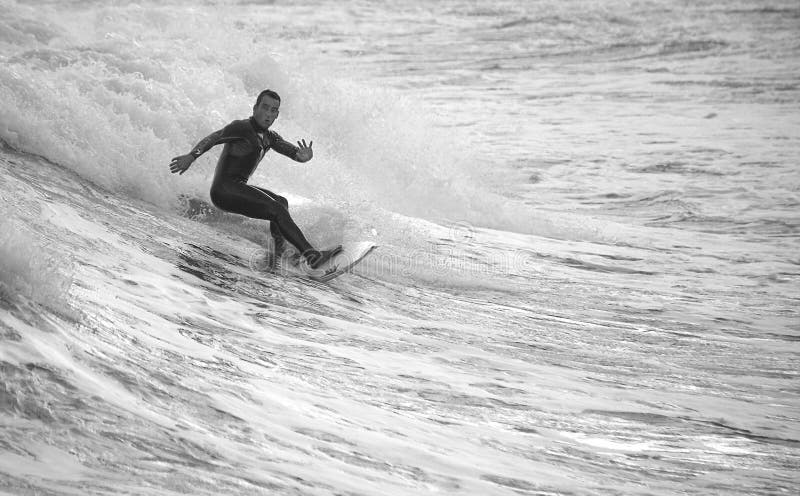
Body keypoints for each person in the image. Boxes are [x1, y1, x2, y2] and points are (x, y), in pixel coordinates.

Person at [169, 89, 340, 269]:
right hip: (224, 190)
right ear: (255, 108)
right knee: (275, 209)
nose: (268, 113)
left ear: (277, 115)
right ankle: (312, 256)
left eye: (273, 110)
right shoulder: (241, 127)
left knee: (281, 203)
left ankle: (280, 253)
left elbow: (289, 150)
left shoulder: (270, 137)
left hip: (237, 187)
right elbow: (215, 138)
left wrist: (301, 156)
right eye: (265, 107)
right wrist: (191, 156)